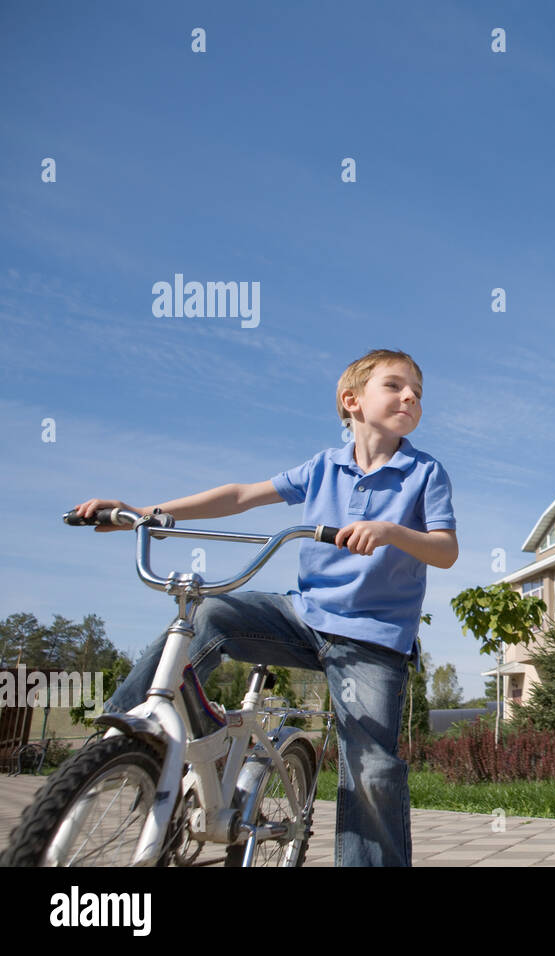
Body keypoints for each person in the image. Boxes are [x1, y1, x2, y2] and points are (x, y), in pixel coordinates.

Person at [74, 348, 458, 867]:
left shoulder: (424, 472)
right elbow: (241, 496)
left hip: (373, 636)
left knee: (371, 769)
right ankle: (120, 738)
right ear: (352, 401)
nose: (410, 396)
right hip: (305, 616)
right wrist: (146, 512)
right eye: (394, 385)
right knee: (209, 613)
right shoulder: (323, 466)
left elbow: (445, 550)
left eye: (417, 391)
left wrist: (390, 531)